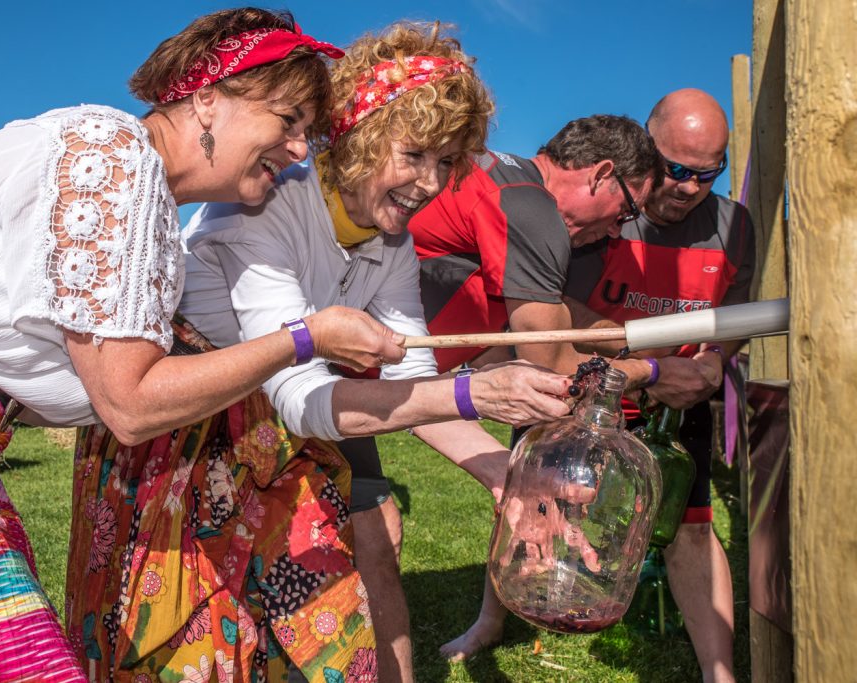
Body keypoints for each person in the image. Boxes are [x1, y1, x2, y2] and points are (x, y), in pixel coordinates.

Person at [0, 9, 406, 681]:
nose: (301, 150)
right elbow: (129, 402)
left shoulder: (149, 202)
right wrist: (304, 337)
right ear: (209, 97)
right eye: (289, 120)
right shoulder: (114, 157)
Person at [65, 21, 575, 683]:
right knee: (178, 649)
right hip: (174, 428)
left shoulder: (391, 244)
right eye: (416, 153)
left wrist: (507, 478)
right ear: (360, 133)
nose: (430, 182)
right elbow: (304, 398)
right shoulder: (265, 205)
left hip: (270, 432)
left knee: (325, 625)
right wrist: (478, 389)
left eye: (447, 162)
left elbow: (415, 387)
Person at [341, 114, 664, 662]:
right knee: (361, 535)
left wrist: (627, 340)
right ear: (601, 173)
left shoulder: (512, 188)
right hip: (319, 377)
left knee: (375, 533)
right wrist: (650, 373)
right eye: (627, 210)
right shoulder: (531, 207)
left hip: (372, 387)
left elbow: (557, 317)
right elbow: (552, 361)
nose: (618, 230)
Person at [564, 88, 754, 683]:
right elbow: (557, 316)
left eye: (707, 174)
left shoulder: (733, 225)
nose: (690, 188)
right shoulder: (605, 212)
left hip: (681, 401)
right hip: (587, 387)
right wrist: (637, 370)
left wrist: (714, 363)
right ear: (647, 149)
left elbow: (739, 315)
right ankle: (493, 620)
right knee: (537, 502)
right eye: (675, 170)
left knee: (692, 528)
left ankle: (718, 673)